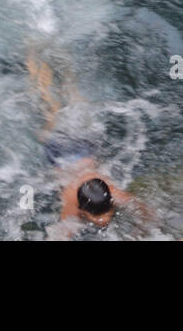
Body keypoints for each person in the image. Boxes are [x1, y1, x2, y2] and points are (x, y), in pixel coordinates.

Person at [26, 46, 136, 236]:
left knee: (64, 104)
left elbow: (143, 210)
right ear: (82, 210)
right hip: (62, 151)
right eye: (100, 217)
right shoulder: (72, 201)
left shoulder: (112, 192)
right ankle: (34, 56)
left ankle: (42, 57)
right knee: (51, 103)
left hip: (85, 146)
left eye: (105, 214)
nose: (103, 221)